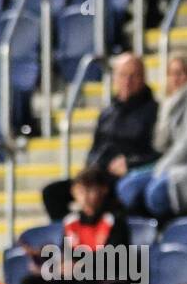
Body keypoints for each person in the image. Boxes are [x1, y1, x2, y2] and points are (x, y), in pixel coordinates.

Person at [42, 53, 158, 221]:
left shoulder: (154, 111)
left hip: (125, 177)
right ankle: (73, 238)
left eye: (134, 75)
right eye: (123, 75)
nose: (127, 81)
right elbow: (95, 147)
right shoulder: (107, 112)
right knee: (52, 193)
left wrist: (130, 163)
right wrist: (87, 172)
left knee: (100, 197)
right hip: (98, 175)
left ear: (143, 78)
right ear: (114, 78)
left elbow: (159, 153)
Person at [115, 55, 187, 219]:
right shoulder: (171, 102)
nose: (176, 79)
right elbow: (160, 145)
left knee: (156, 192)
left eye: (181, 73)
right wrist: (165, 112)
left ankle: (169, 231)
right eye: (172, 74)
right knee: (127, 187)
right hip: (173, 162)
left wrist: (163, 166)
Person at [22, 166, 132, 284]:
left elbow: (114, 258)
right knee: (30, 281)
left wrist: (79, 265)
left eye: (90, 190)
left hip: (102, 276)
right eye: (81, 191)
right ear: (74, 193)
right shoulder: (71, 221)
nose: (85, 197)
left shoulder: (115, 220)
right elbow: (65, 254)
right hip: (75, 273)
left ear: (104, 189)